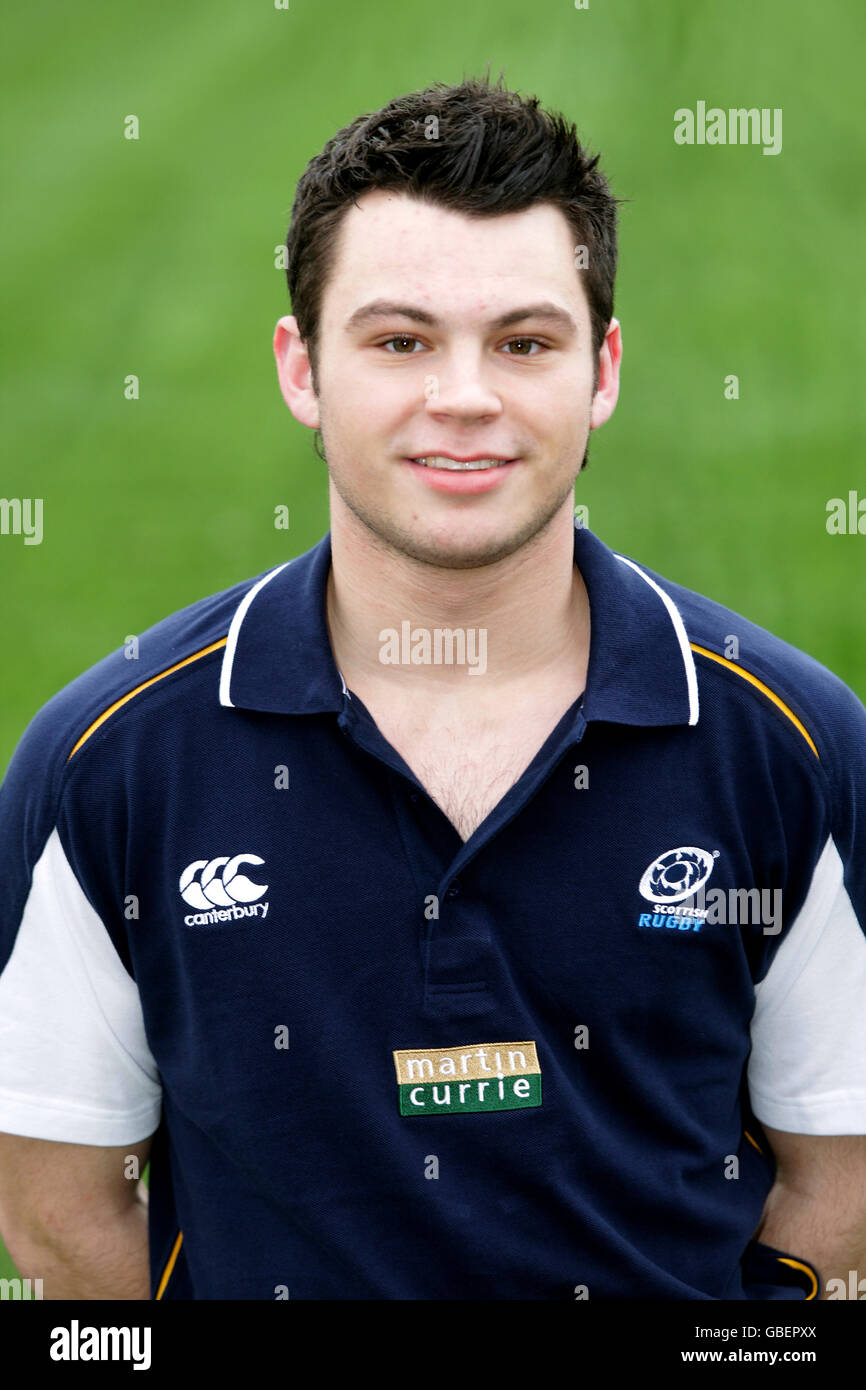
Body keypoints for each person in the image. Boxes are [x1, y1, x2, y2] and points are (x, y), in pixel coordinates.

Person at [1, 73, 865, 1302]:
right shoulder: (112, 759)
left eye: (523, 342)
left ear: (602, 370)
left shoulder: (788, 744)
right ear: (301, 369)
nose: (462, 397)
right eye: (399, 340)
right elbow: (57, 1204)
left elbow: (840, 1176)